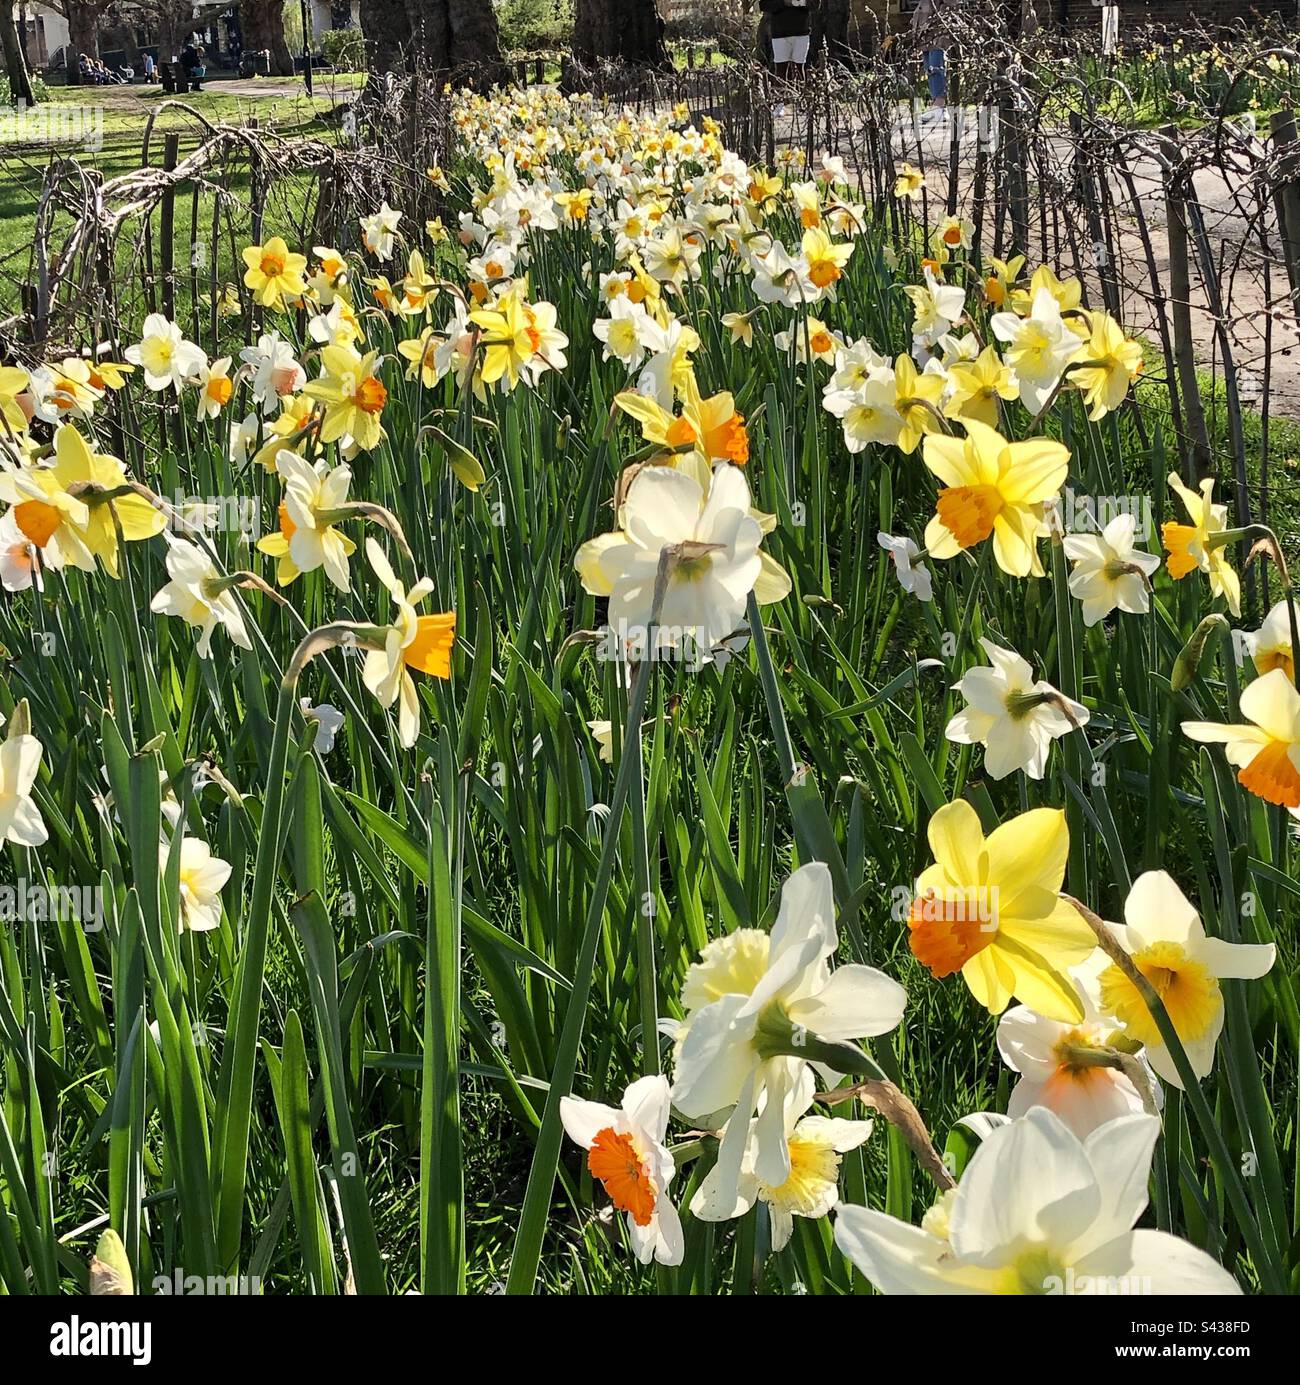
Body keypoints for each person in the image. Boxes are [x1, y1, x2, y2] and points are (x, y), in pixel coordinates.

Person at [759, 0, 810, 108]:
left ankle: (802, 102)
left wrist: (799, 3)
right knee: (781, 69)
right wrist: (784, 3)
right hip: (780, 33)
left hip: (801, 32)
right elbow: (764, 4)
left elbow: (815, 4)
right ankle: (779, 103)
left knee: (800, 67)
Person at [911, 0, 957, 111]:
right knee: (929, 68)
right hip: (924, 33)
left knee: (936, 67)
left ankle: (940, 104)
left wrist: (938, 19)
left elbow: (950, 5)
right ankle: (935, 102)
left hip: (936, 32)